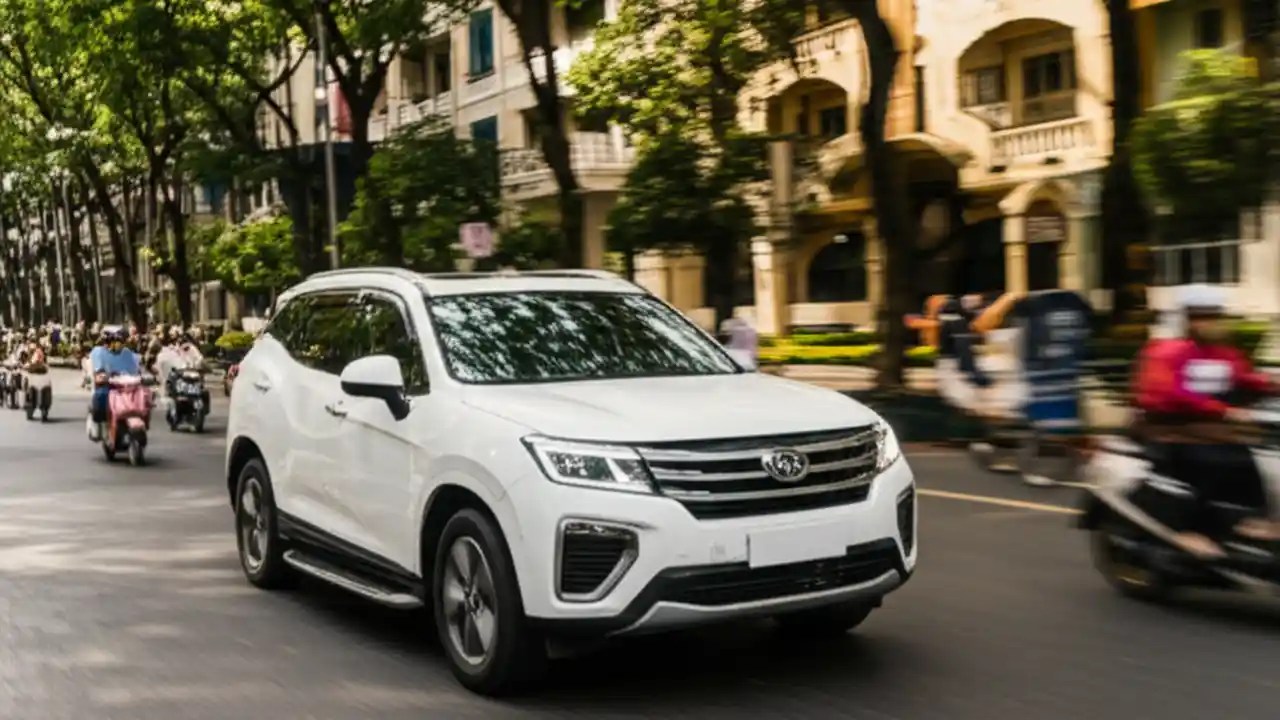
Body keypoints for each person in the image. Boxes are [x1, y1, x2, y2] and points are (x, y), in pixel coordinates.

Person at [1133, 284, 1280, 557]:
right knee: (1207, 460)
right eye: (1202, 316)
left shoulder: (1224, 352)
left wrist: (1271, 384)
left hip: (1211, 427)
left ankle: (1249, 520)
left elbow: (1245, 377)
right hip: (1169, 427)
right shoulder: (1167, 352)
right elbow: (1169, 392)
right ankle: (1192, 530)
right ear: (1187, 320)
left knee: (1248, 457)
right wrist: (1221, 409)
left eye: (1214, 315)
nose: (1210, 321)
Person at [89, 327, 142, 440]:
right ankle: (101, 423)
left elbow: (135, 370)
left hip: (126, 386)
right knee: (101, 396)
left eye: (119, 341)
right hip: (107, 386)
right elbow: (97, 370)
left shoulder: (127, 353)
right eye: (112, 341)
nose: (116, 344)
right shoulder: (98, 352)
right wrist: (101, 376)